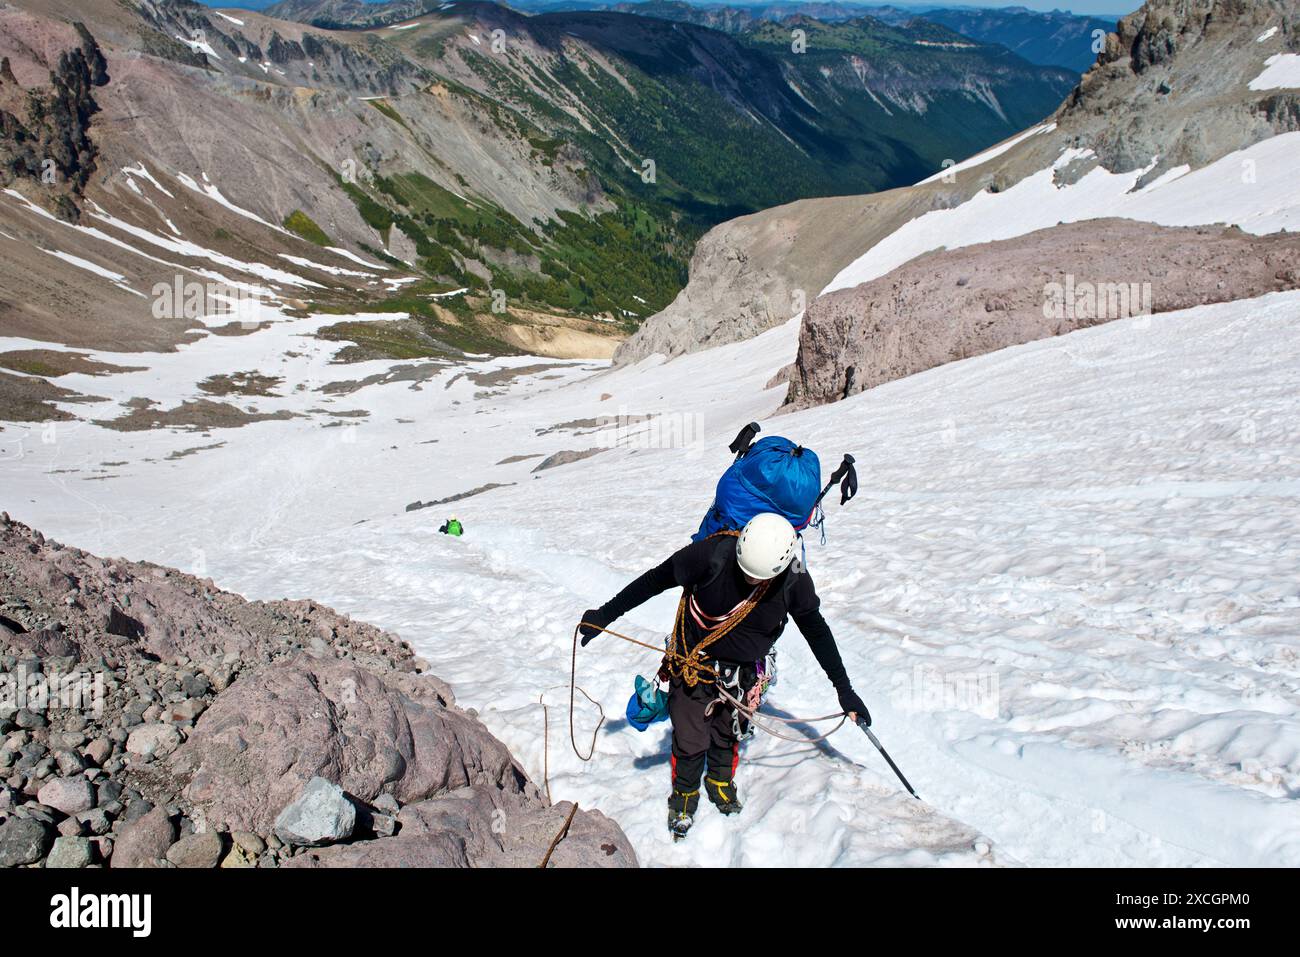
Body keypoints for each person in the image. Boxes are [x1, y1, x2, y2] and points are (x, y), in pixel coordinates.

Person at [579, 512, 869, 839]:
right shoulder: (713, 554)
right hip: (693, 667)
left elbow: (816, 630)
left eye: (758, 579)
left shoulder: (794, 578)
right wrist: (604, 615)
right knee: (690, 740)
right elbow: (654, 580)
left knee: (728, 732)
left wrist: (844, 691)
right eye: (745, 572)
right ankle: (684, 797)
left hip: (742, 676)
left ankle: (719, 781)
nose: (749, 581)